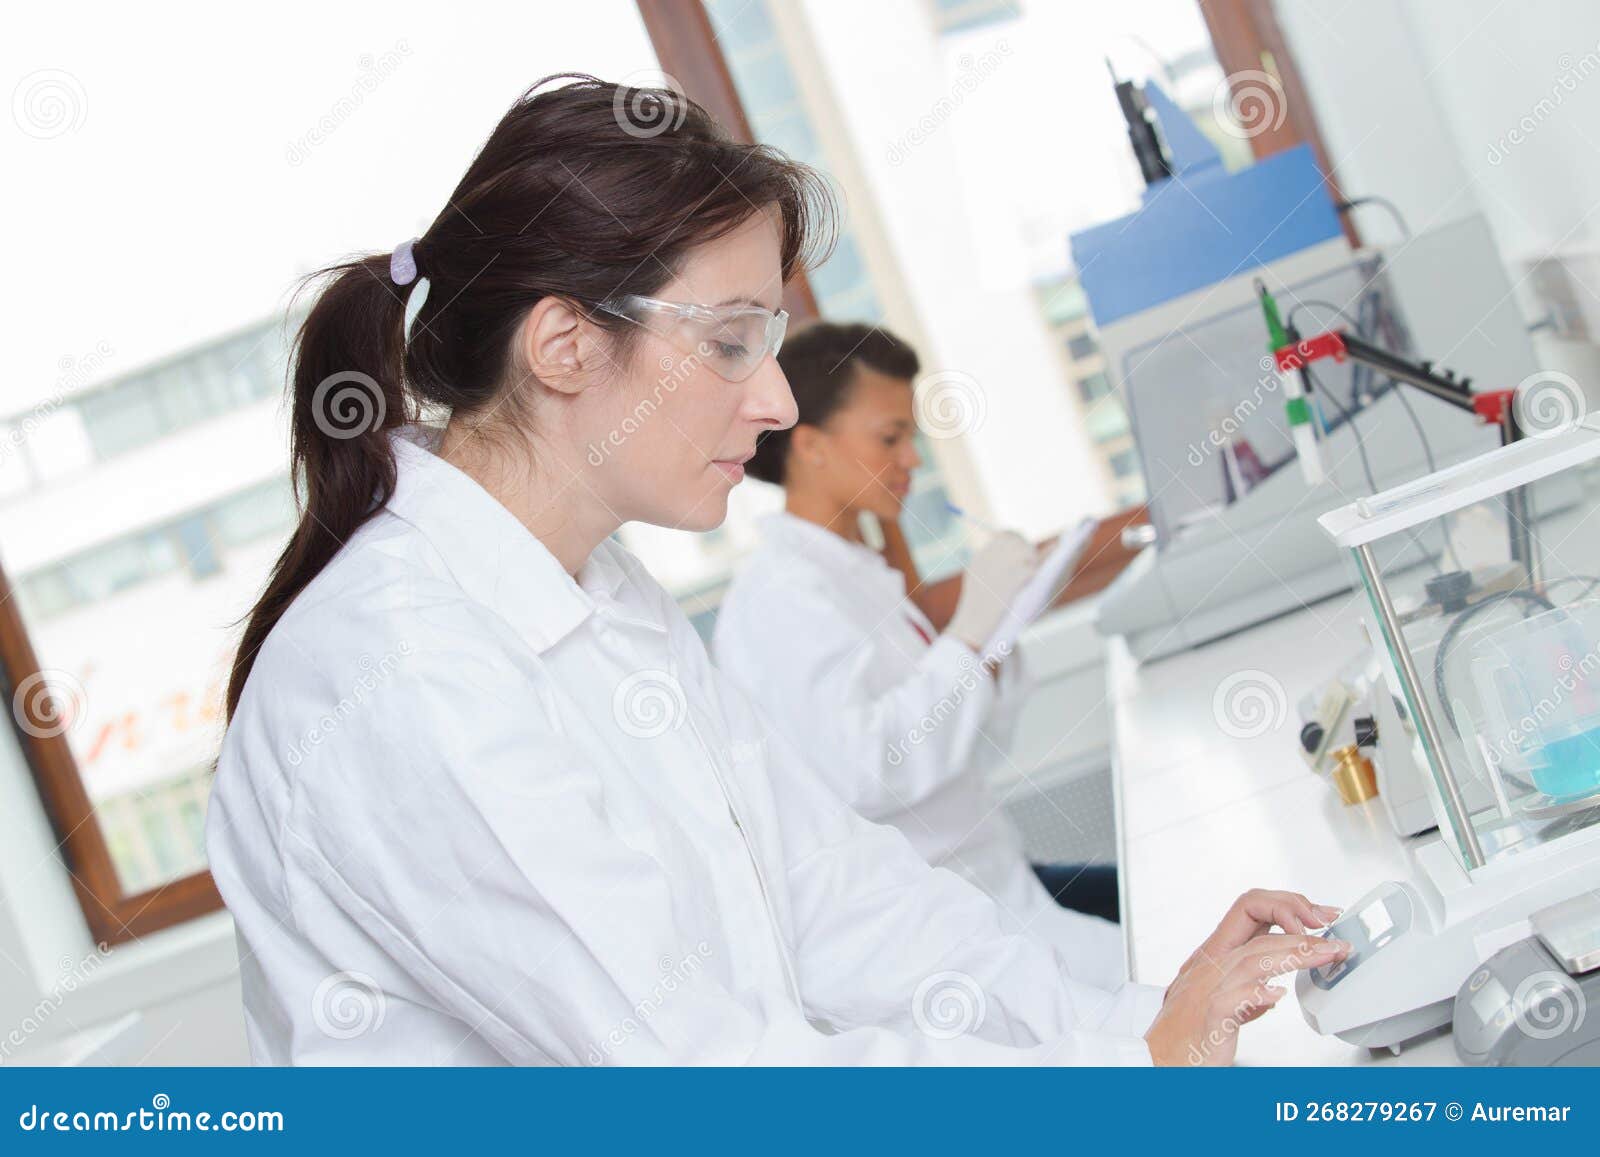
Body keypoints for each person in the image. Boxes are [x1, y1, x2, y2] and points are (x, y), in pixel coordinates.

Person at [205, 74, 1348, 1066]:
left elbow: (839, 894)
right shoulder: (401, 677)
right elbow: (705, 1070)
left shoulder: (602, 599)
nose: (779, 400)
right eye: (728, 342)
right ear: (561, 346)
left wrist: (1142, 1023)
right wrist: (1128, 1062)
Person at [713, 322, 1132, 991]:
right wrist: (967, 636)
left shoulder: (859, 571)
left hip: (996, 881)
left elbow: (975, 741)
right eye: (890, 437)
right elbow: (867, 771)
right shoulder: (781, 598)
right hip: (935, 931)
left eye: (911, 437)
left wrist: (996, 631)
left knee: (1163, 918)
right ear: (811, 446)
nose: (911, 458)